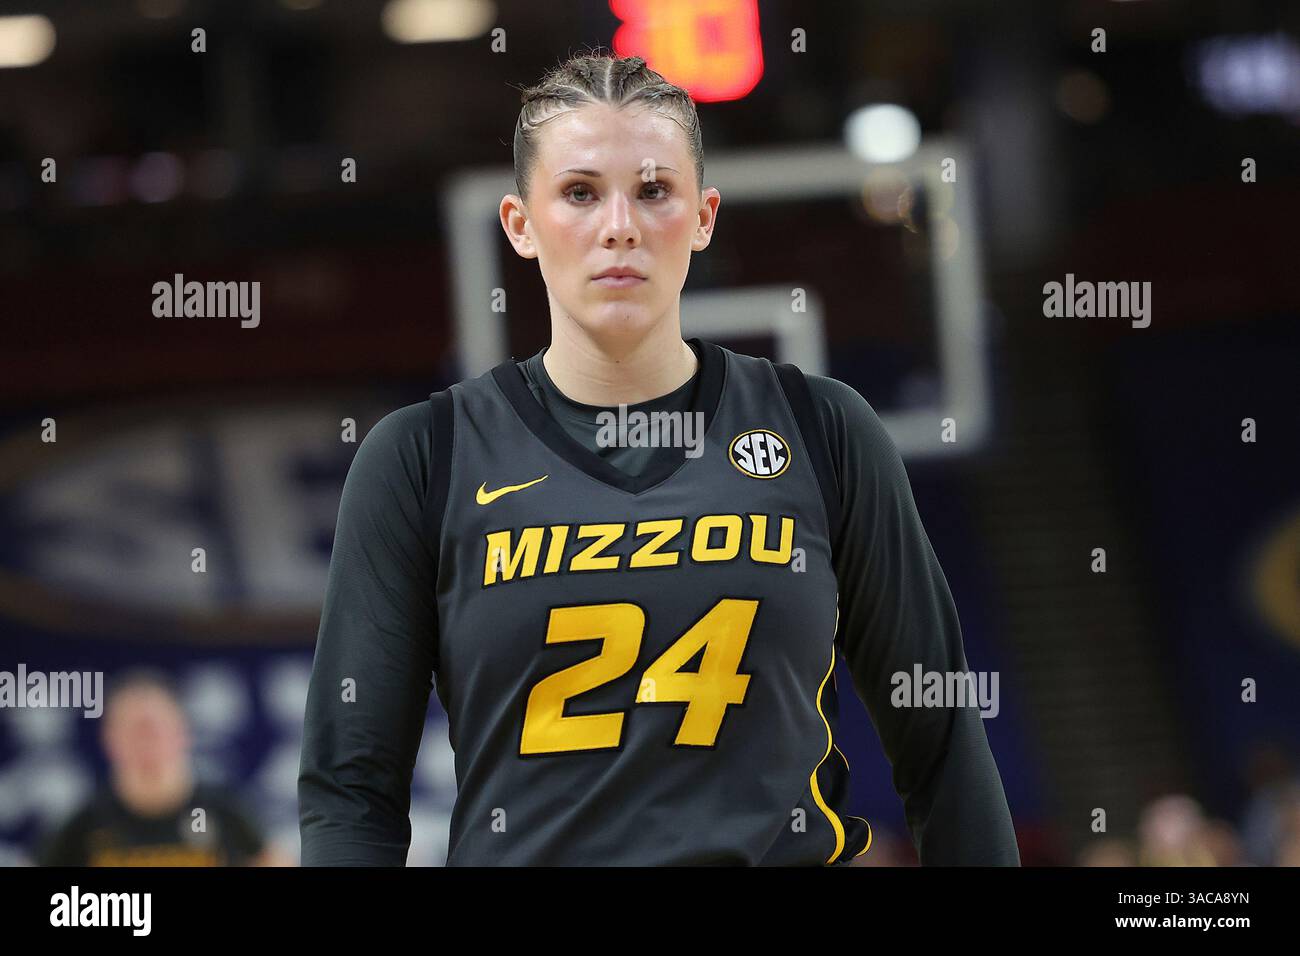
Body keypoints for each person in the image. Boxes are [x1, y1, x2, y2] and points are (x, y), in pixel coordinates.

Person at [298, 52, 1018, 866]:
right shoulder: (422, 459)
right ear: (519, 224)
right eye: (578, 193)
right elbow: (352, 789)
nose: (619, 226)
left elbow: (945, 742)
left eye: (652, 191)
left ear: (704, 215)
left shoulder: (825, 431)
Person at [38, 669, 282, 867]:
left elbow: (273, 861)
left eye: (155, 729)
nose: (146, 743)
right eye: (134, 731)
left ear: (182, 733)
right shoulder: (85, 823)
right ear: (109, 739)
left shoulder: (224, 811)